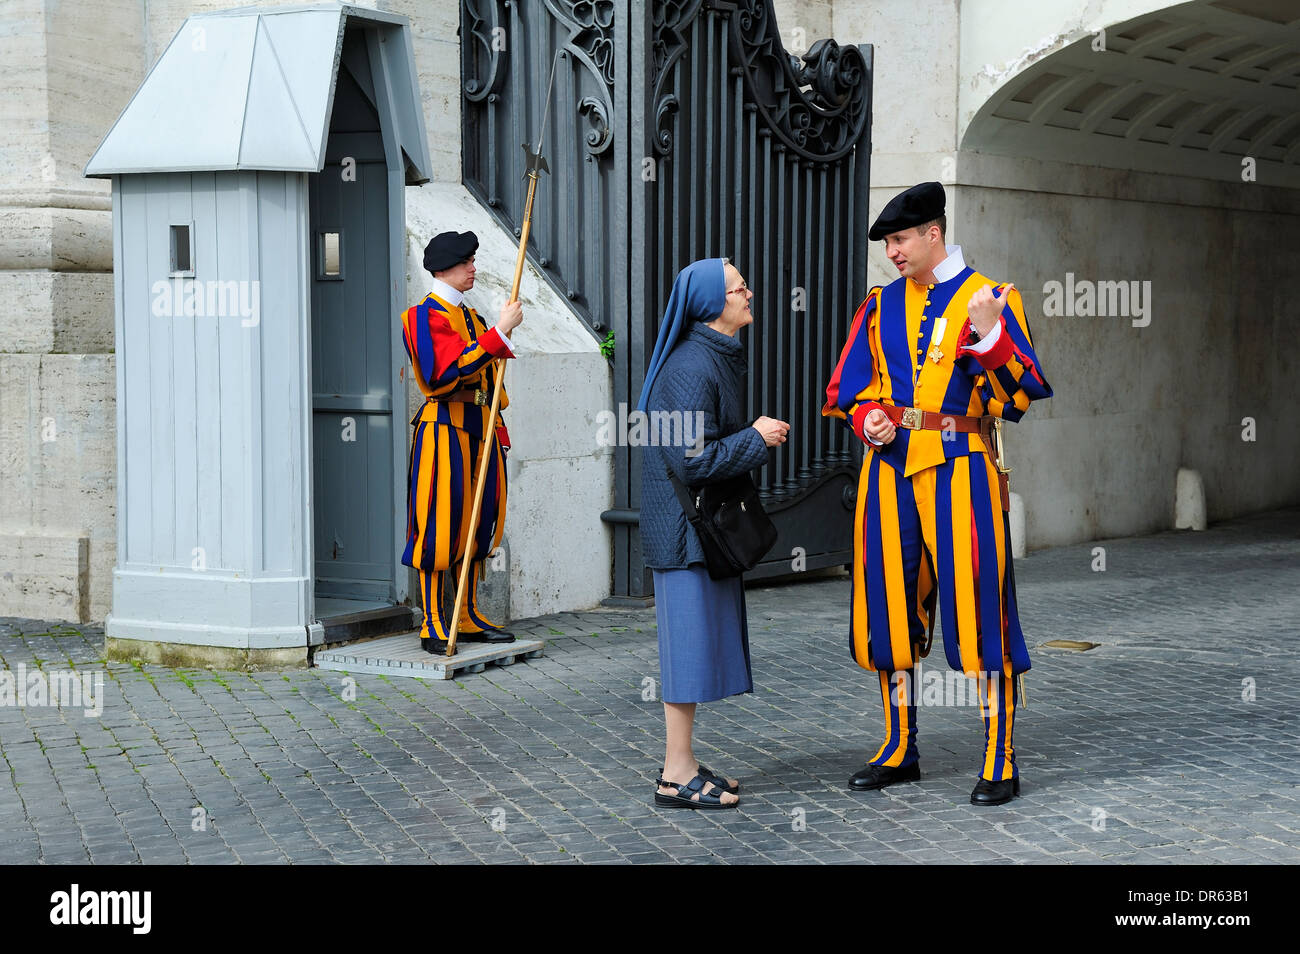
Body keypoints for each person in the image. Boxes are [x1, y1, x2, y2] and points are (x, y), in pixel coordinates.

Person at [823, 182, 1052, 806]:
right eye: (887, 243)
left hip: (964, 469)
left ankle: (999, 757)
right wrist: (868, 416)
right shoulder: (878, 306)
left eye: (899, 239)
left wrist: (986, 336)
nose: (892, 252)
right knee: (888, 605)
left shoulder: (994, 298)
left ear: (933, 233)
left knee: (981, 602)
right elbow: (853, 385)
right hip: (888, 472)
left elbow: (1020, 396)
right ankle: (900, 747)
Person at [638, 258, 789, 810]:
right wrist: (756, 437)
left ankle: (687, 762)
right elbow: (690, 460)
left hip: (698, 529)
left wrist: (750, 439)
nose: (748, 292)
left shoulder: (715, 355)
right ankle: (675, 774)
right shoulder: (690, 368)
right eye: (737, 287)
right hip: (683, 535)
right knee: (686, 651)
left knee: (698, 648)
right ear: (711, 304)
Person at [400, 230, 522, 652]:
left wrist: (498, 427)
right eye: (466, 262)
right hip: (444, 432)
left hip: (481, 429)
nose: (473, 268)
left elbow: (489, 378)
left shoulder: (473, 318)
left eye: (472, 260)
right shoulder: (421, 317)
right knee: (439, 524)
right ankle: (433, 621)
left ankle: (465, 614)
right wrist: (499, 335)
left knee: (478, 522)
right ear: (443, 268)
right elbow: (444, 374)